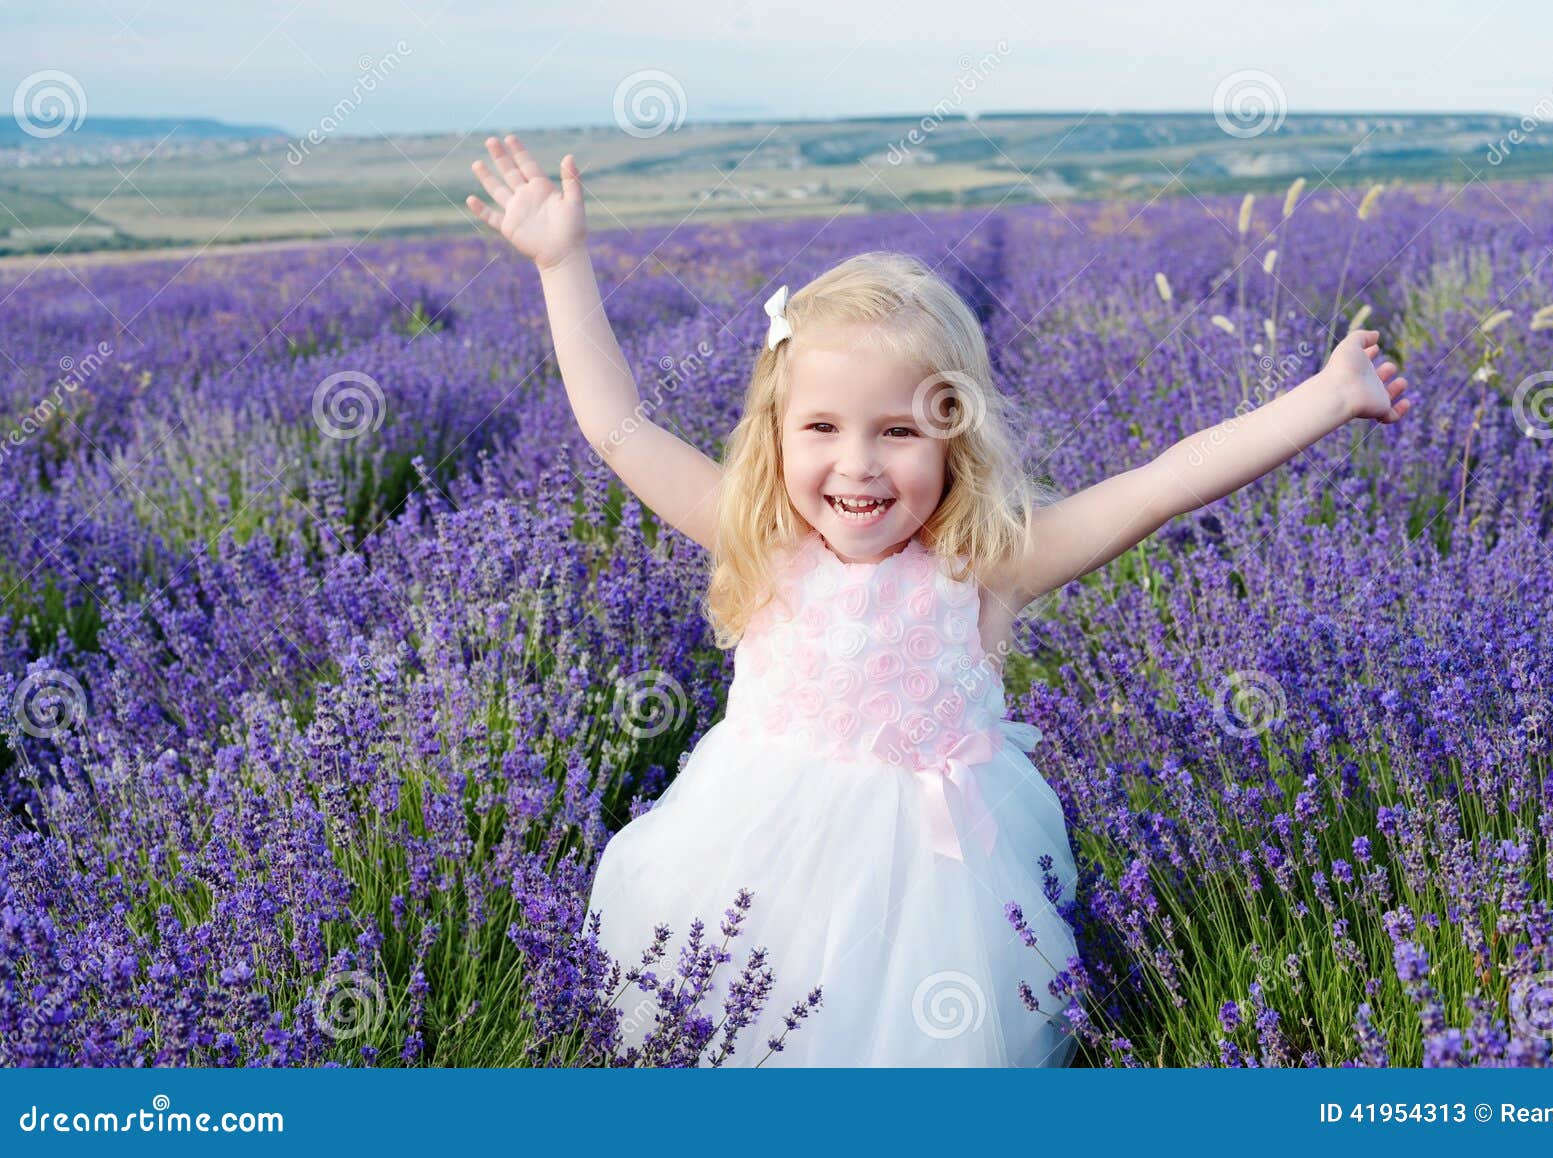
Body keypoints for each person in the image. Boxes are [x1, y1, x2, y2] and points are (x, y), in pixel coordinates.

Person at [465, 136, 1413, 1067]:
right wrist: (562, 261)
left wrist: (1327, 399)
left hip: (937, 895)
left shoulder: (986, 565)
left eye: (899, 432)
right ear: (776, 434)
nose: (859, 464)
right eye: (823, 427)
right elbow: (618, 428)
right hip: (752, 861)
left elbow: (1163, 483)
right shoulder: (758, 538)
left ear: (955, 439)